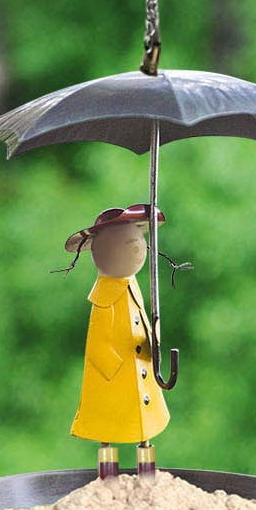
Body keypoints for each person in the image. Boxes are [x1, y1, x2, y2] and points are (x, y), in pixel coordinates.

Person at [64, 204, 170, 479]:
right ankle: (107, 478)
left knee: (144, 429)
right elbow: (99, 346)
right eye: (127, 244)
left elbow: (140, 323)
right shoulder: (104, 299)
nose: (137, 249)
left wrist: (151, 342)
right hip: (113, 380)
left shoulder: (131, 287)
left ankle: (147, 475)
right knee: (108, 429)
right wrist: (114, 368)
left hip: (139, 372)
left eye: (137, 242)